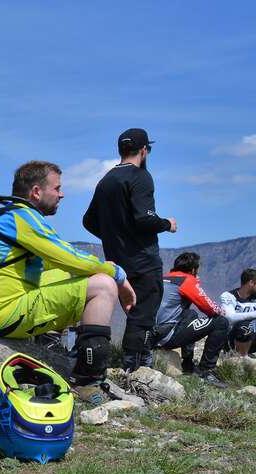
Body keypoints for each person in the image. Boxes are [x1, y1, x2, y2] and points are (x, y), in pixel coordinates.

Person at [0, 161, 135, 405]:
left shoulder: (8, 214)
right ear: (36, 191)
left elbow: (57, 265)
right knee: (104, 285)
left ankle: (63, 348)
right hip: (3, 312)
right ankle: (86, 382)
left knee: (79, 276)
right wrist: (118, 274)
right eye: (57, 188)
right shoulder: (23, 217)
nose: (62, 194)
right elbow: (68, 257)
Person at [83, 128, 177, 372]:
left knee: (132, 311)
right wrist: (167, 224)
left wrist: (116, 237)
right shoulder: (140, 177)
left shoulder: (106, 180)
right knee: (143, 313)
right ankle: (135, 368)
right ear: (144, 151)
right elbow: (144, 219)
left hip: (116, 259)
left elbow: (89, 221)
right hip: (143, 259)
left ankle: (127, 363)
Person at [152, 252, 228, 387]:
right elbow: (208, 307)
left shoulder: (163, 278)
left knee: (190, 314)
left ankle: (187, 363)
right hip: (166, 337)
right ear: (193, 269)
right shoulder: (187, 280)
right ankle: (206, 370)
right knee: (221, 322)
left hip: (150, 335)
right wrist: (220, 310)